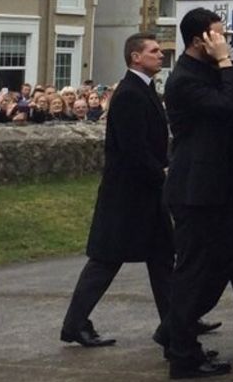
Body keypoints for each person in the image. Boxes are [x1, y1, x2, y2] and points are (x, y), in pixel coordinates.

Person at [162, 7, 233, 379]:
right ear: (199, 39)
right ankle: (182, 354)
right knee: (193, 269)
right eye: (218, 35)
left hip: (214, 187)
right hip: (194, 188)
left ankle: (175, 334)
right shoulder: (186, 78)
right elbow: (230, 107)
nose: (225, 42)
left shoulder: (205, 72)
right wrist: (224, 62)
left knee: (220, 261)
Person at [61, 33, 173, 349]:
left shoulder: (144, 90)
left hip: (145, 193)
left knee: (163, 258)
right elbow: (133, 147)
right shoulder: (129, 94)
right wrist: (161, 172)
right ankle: (75, 323)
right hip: (127, 194)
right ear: (135, 57)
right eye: (153, 51)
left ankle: (175, 320)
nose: (160, 55)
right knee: (106, 260)